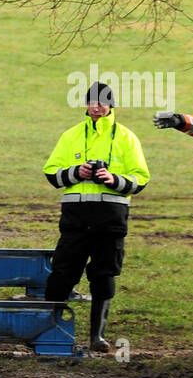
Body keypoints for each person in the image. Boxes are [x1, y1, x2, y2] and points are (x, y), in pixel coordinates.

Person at [43, 81, 150, 352]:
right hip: (76, 219)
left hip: (110, 220)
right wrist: (77, 172)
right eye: (91, 102)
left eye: (102, 102)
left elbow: (141, 179)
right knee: (62, 274)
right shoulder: (71, 135)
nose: (96, 107)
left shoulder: (126, 137)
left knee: (104, 275)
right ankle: (51, 332)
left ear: (111, 105)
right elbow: (51, 173)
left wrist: (113, 179)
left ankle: (97, 337)